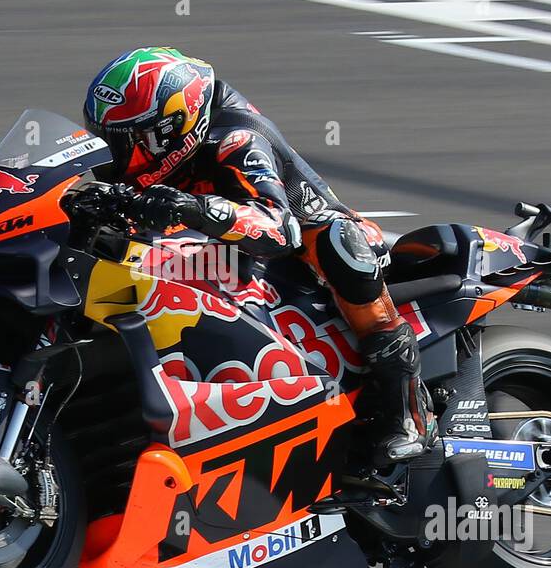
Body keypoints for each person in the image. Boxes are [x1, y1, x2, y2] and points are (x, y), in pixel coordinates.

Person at [81, 46, 437, 467]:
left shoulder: (237, 139)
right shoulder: (164, 155)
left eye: (130, 144)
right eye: (107, 141)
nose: (119, 158)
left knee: (338, 243)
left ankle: (409, 412)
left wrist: (196, 209)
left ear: (174, 129)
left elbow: (277, 227)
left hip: (302, 240)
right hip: (211, 247)